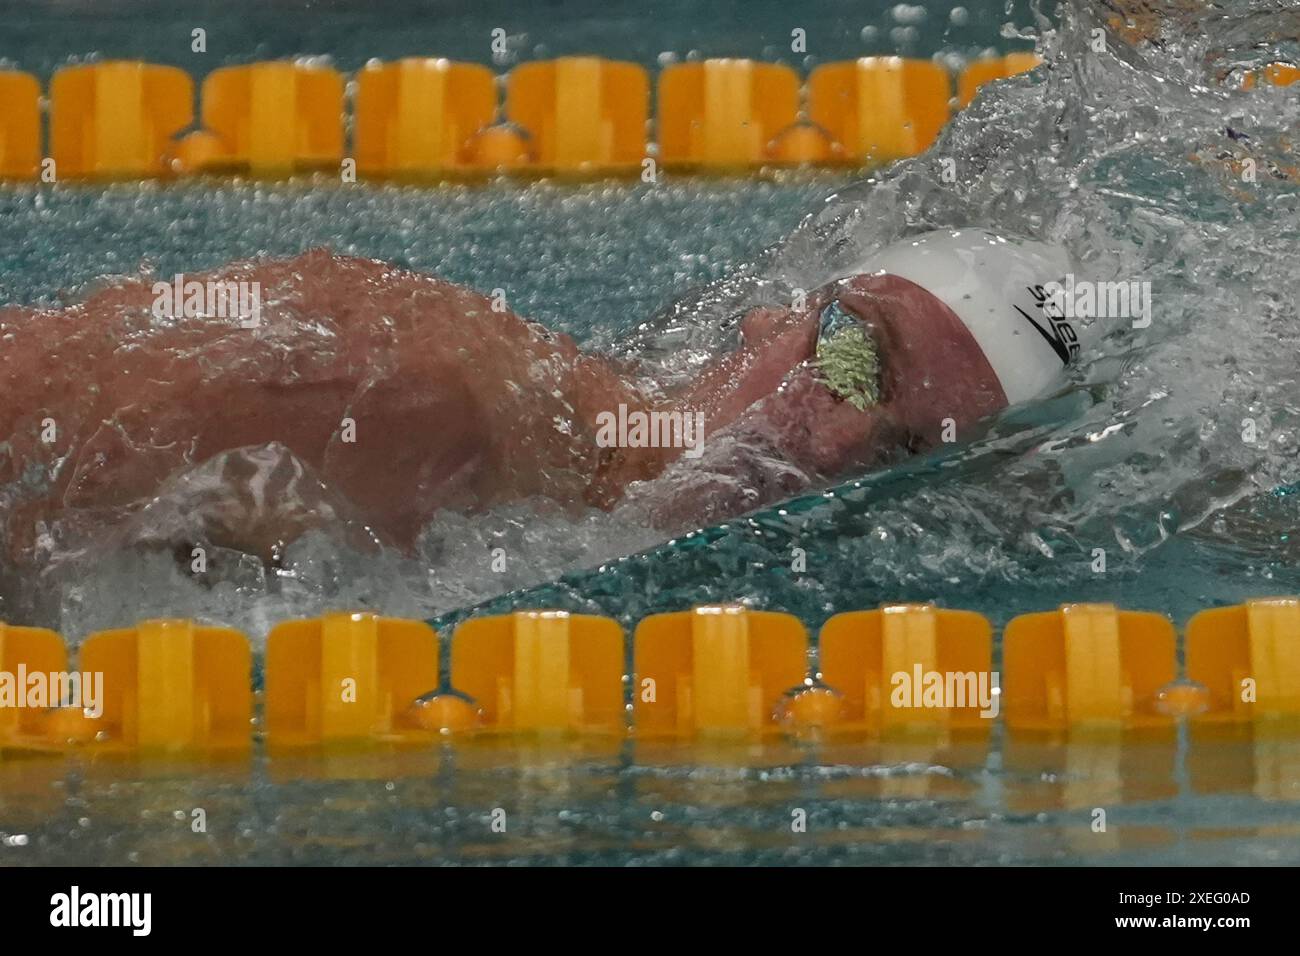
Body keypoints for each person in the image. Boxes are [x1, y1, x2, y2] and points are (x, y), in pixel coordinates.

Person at [0, 230, 1074, 569]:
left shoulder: (573, 499)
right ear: (771, 318)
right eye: (852, 355)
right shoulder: (422, 398)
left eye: (900, 450)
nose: (833, 432)